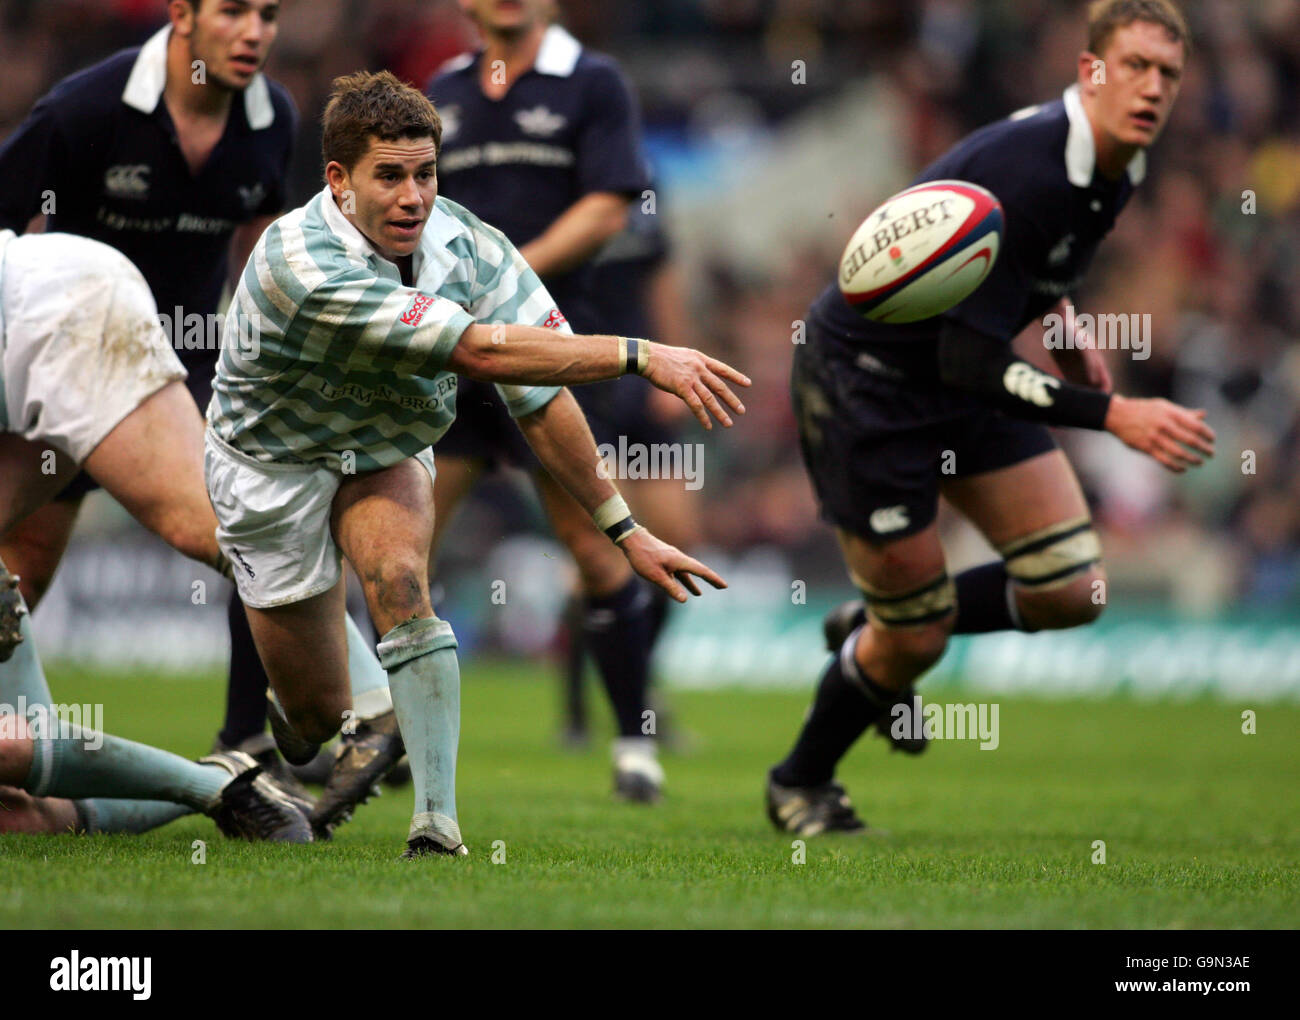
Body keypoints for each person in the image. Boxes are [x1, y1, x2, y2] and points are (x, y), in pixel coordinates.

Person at [206, 70, 748, 859]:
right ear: (338, 180)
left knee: (402, 580)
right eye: (389, 177)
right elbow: (481, 351)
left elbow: (542, 394)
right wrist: (640, 354)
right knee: (314, 718)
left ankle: (437, 826)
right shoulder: (301, 259)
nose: (413, 198)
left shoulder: (472, 246)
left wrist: (624, 529)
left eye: (425, 174)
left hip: (384, 440)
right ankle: (303, 719)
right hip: (272, 463)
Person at [767, 0, 1215, 836]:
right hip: (870, 387)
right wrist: (1113, 413)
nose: (1153, 88)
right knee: (920, 639)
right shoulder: (1030, 170)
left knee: (1073, 588)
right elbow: (972, 363)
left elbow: (1036, 266)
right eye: (1135, 67)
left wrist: (1064, 328)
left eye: (1169, 73)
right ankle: (800, 782)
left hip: (957, 366)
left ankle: (873, 624)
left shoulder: (1120, 162)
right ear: (1090, 72)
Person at [0, 0, 323, 791]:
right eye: (234, 11)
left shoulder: (274, 118)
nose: (255, 32)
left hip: (193, 369)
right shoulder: (84, 110)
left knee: (251, 525)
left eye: (269, 14)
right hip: (73, 372)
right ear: (182, 13)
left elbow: (264, 244)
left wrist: (279, 353)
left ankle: (248, 741)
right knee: (23, 568)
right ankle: (16, 749)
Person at [426, 0, 674, 800]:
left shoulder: (594, 82)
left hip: (558, 349)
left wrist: (507, 278)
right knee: (399, 551)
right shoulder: (442, 92)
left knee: (596, 552)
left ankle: (633, 743)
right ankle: (385, 732)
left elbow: (610, 206)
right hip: (453, 351)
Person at [0, 228, 310, 842]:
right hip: (55, 313)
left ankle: (231, 781)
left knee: (211, 528)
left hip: (57, 304)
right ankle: (228, 771)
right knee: (16, 815)